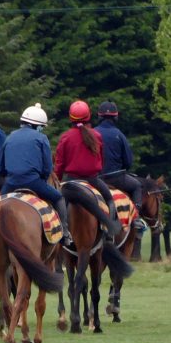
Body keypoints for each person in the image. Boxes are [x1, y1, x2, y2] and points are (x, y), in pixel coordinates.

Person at [0, 103, 73, 247]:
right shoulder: (41, 138)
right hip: (33, 182)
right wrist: (42, 180)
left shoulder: (10, 137)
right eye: (42, 127)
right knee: (58, 198)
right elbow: (47, 168)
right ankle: (64, 232)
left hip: (11, 183)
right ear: (37, 126)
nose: (42, 129)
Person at [54, 100, 121, 242]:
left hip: (70, 180)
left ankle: (62, 230)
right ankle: (109, 234)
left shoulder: (65, 137)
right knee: (109, 200)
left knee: (57, 203)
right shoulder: (96, 135)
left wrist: (58, 180)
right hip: (93, 180)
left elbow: (59, 164)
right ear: (88, 116)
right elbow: (101, 161)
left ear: (70, 117)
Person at [94, 100, 148, 233]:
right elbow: (128, 162)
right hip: (116, 178)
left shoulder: (92, 133)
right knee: (136, 186)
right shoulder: (119, 135)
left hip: (96, 179)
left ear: (99, 116)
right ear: (115, 116)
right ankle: (135, 219)